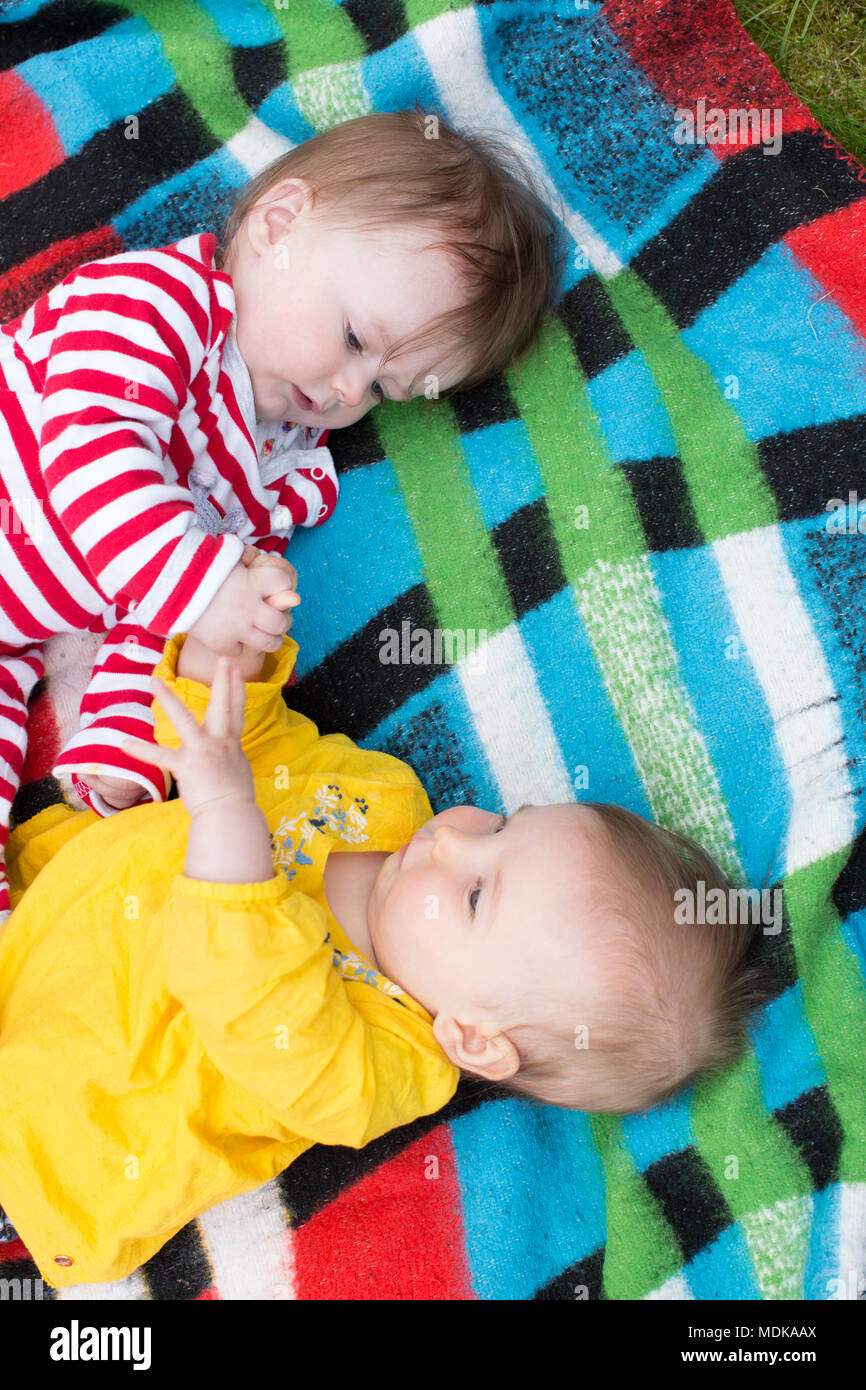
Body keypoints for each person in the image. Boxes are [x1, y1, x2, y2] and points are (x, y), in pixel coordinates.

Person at [0, 615, 766, 1289]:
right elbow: (254, 745)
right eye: (503, 823)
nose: (454, 837)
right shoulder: (387, 802)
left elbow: (244, 997)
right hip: (52, 912)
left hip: (53, 1130)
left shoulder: (379, 1066)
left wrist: (227, 810)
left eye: (475, 895)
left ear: (471, 1035)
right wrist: (227, 657)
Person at [0, 102, 566, 919]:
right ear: (278, 223)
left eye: (382, 390)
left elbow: (161, 628)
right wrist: (206, 581)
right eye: (354, 339)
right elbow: (92, 451)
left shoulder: (276, 478)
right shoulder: (155, 307)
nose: (346, 390)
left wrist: (123, 750)